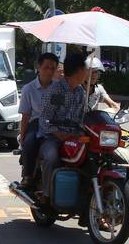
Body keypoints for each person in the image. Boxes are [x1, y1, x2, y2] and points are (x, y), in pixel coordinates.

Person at [36, 52, 90, 195]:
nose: (87, 73)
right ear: (79, 71)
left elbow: (83, 117)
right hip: (52, 137)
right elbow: (44, 121)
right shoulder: (55, 91)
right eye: (86, 69)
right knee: (51, 157)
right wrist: (60, 135)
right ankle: (47, 194)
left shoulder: (80, 92)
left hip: (74, 137)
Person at [18, 52, 59, 186]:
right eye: (46, 67)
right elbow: (25, 116)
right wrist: (23, 138)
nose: (49, 71)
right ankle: (28, 175)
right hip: (37, 123)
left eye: (53, 68)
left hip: (57, 123)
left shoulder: (60, 88)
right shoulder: (28, 89)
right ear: (38, 67)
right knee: (30, 142)